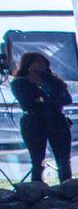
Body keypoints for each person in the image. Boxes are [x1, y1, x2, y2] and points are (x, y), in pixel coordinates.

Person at [10, 52, 73, 185]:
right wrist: (50, 100)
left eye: (43, 62)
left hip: (57, 121)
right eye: (37, 62)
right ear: (28, 64)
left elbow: (67, 99)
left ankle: (67, 186)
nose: (41, 65)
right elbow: (28, 102)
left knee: (63, 159)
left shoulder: (53, 80)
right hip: (33, 122)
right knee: (37, 159)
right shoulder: (20, 82)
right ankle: (36, 189)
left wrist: (43, 100)